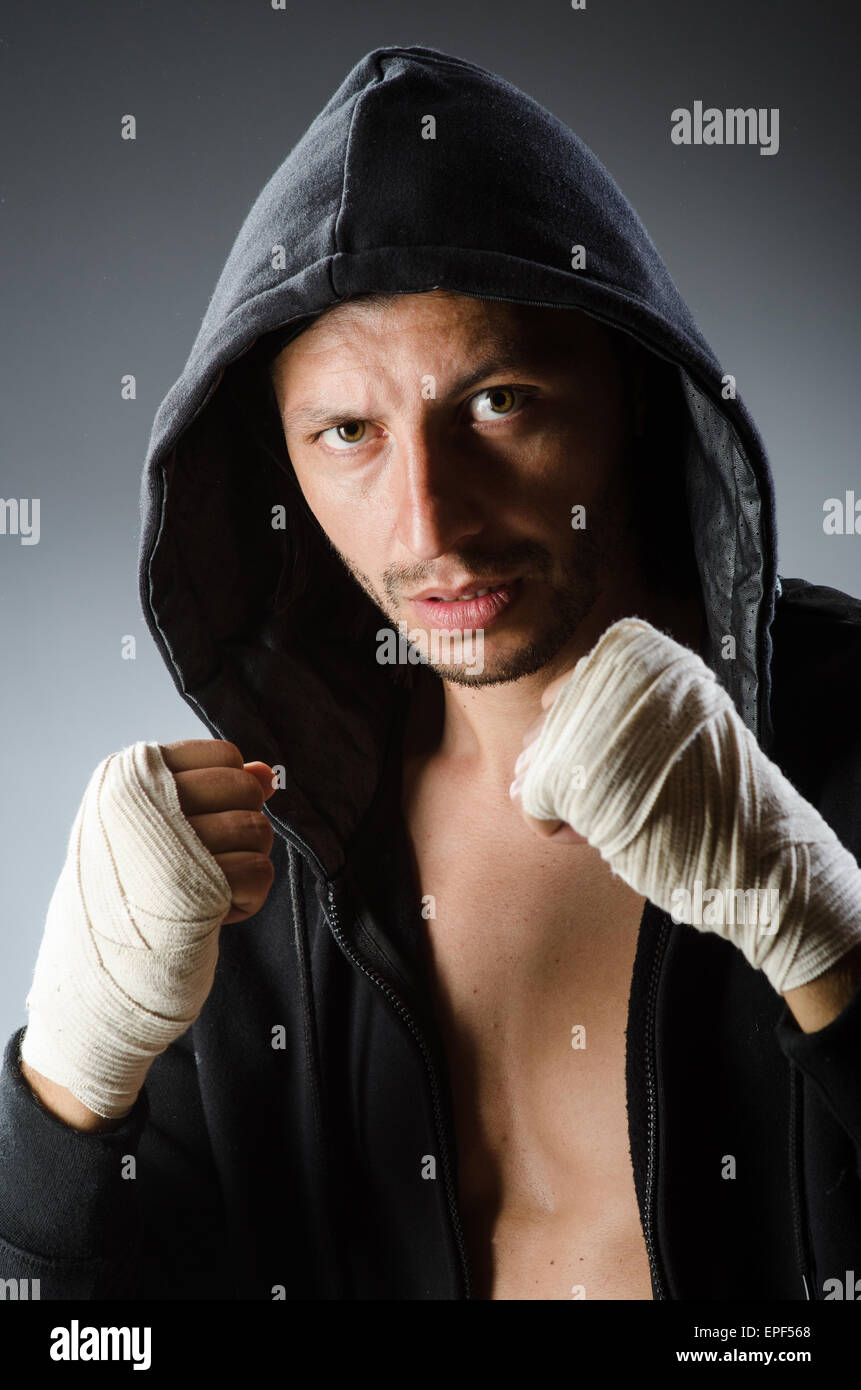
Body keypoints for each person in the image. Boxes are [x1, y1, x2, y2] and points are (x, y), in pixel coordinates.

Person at [2, 43, 861, 1302]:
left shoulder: (844, 729)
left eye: (500, 401)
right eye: (348, 433)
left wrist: (826, 935)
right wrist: (68, 1087)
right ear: (280, 464)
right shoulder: (250, 867)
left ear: (628, 392)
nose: (430, 524)